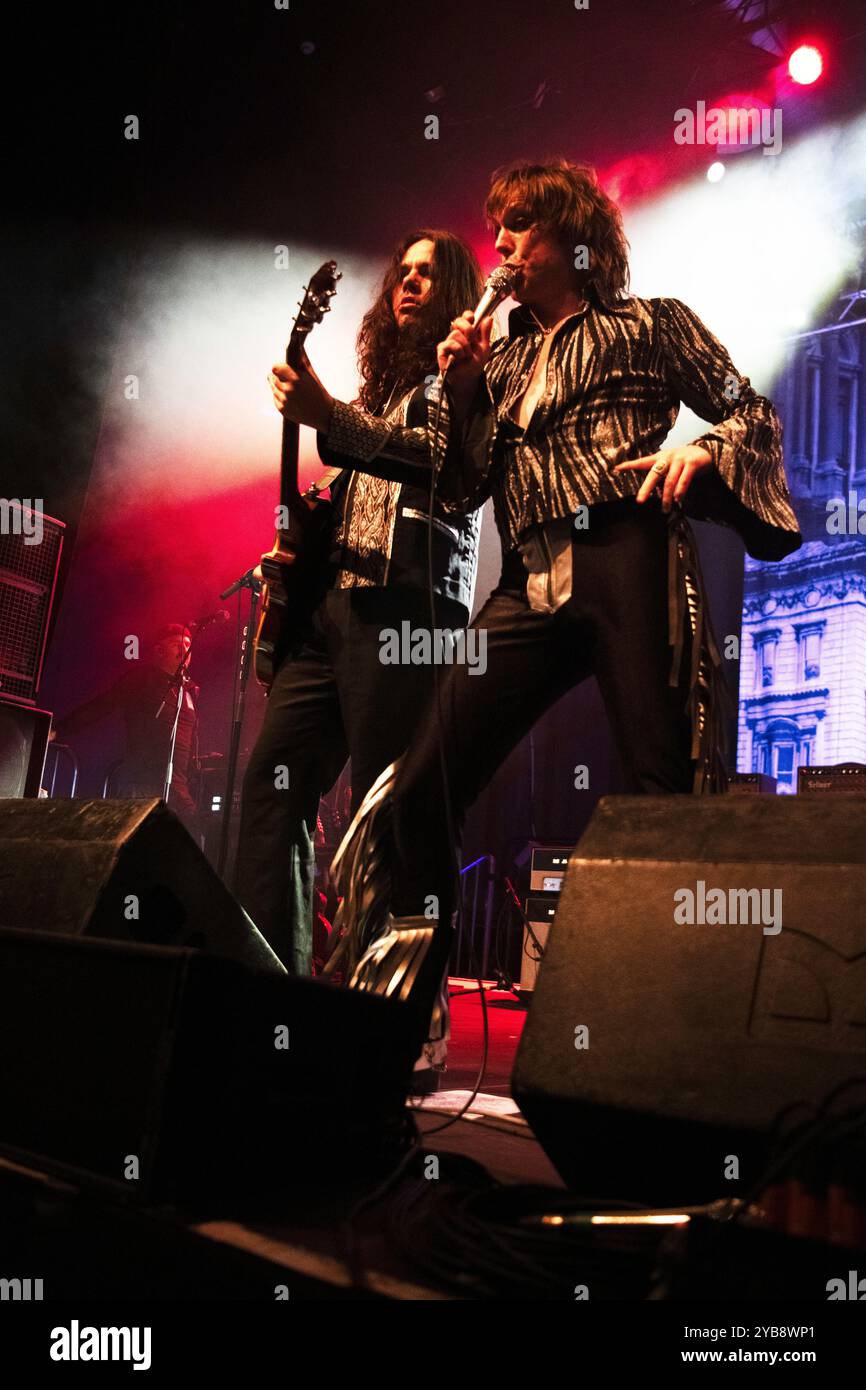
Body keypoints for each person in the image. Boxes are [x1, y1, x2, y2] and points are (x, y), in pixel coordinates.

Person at [272, 158, 804, 1038]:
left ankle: (674, 1032)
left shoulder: (651, 324)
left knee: (658, 791)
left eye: (522, 224)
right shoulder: (504, 354)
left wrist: (703, 451)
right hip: (527, 582)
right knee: (421, 784)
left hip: (625, 554)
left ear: (574, 236)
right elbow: (456, 482)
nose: (504, 243)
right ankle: (403, 1023)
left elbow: (753, 411)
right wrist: (463, 389)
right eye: (501, 227)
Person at [232, 229, 484, 984]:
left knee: (388, 808)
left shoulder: (470, 375)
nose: (409, 283)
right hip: (332, 616)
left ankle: (398, 1015)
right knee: (272, 785)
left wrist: (328, 416)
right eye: (402, 271)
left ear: (457, 292)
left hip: (407, 610)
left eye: (428, 274)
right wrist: (305, 540)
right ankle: (265, 989)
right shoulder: (383, 396)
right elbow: (363, 481)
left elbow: (444, 462)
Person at [52, 623, 201, 830]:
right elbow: (103, 705)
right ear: (159, 651)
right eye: (177, 644)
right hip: (140, 784)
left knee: (191, 835)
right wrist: (58, 730)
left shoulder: (189, 691)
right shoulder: (142, 680)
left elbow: (189, 739)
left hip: (177, 786)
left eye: (187, 644)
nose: (185, 650)